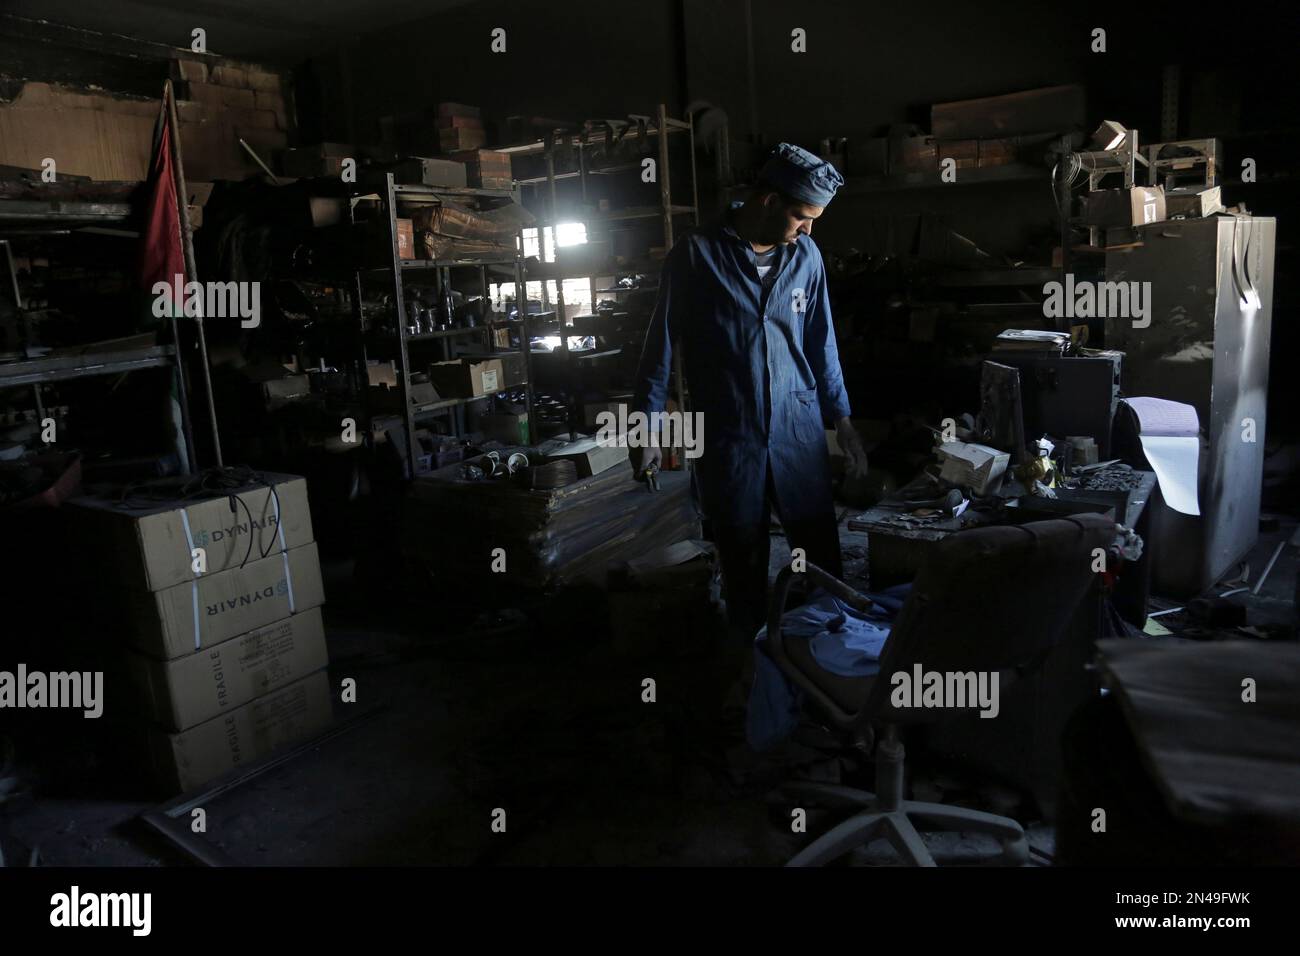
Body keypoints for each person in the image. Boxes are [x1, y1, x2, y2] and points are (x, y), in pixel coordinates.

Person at [630, 141, 868, 661]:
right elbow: (661, 345)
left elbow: (820, 342)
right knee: (742, 555)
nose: (809, 230)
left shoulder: (806, 257)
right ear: (766, 200)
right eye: (802, 217)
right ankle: (752, 667)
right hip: (728, 433)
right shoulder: (696, 254)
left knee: (818, 553)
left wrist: (842, 420)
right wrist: (644, 429)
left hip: (797, 429)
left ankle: (830, 657)